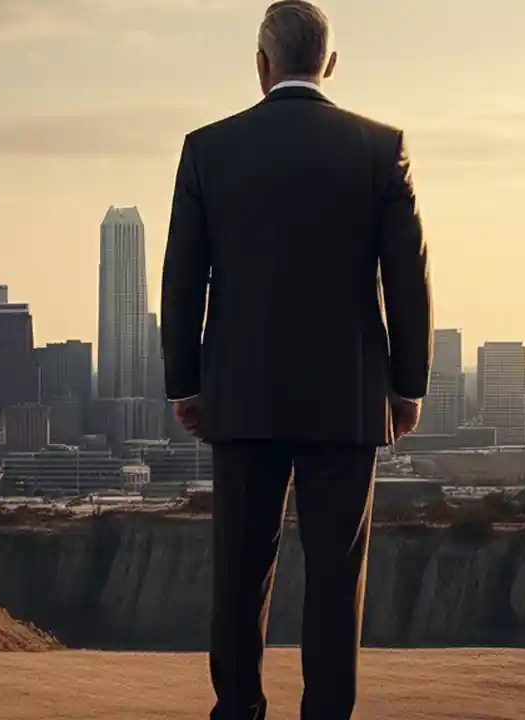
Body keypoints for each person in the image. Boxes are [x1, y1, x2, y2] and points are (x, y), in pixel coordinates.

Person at [160, 2, 433, 718]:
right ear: (329, 64)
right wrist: (406, 387)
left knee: (240, 571)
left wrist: (186, 385)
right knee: (337, 580)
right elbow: (408, 278)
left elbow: (183, 278)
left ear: (261, 64)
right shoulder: (380, 147)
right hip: (347, 398)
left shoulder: (208, 149)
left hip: (241, 396)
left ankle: (238, 710)